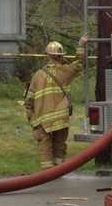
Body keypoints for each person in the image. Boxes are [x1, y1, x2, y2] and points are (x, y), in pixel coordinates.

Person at [24, 37, 88, 169]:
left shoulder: (38, 74)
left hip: (42, 118)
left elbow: (29, 98)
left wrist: (30, 116)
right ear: (61, 56)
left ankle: (48, 171)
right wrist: (81, 45)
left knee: (44, 144)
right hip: (60, 116)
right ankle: (59, 169)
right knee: (59, 143)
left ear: (47, 55)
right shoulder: (66, 71)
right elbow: (80, 62)